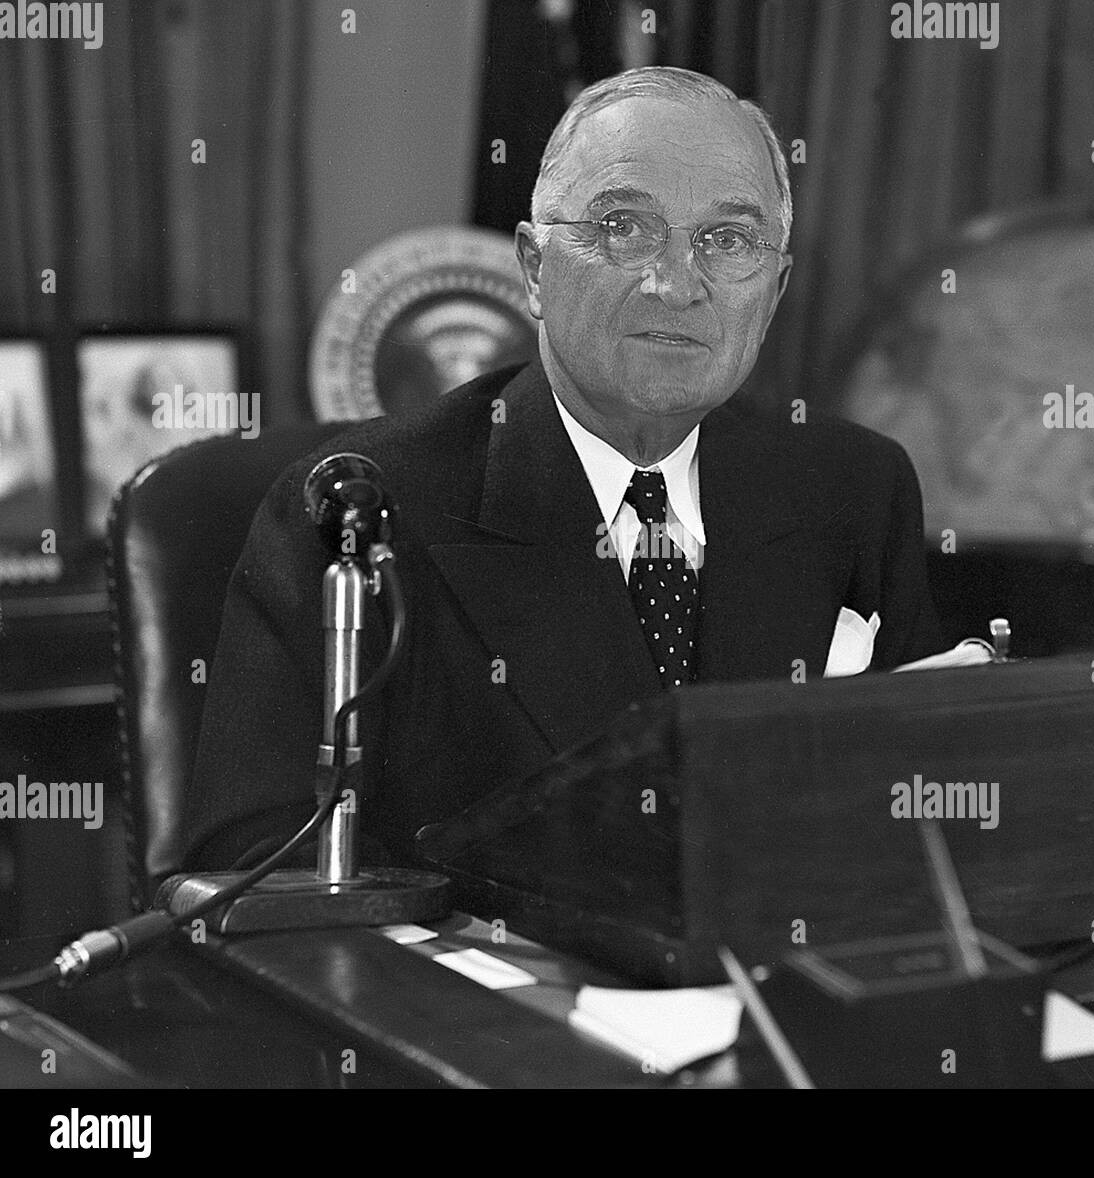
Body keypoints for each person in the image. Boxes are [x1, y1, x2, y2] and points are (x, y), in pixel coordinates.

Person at [184, 66, 944, 871]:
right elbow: (253, 869)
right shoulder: (360, 510)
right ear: (535, 267)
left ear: (777, 285)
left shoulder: (853, 488)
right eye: (624, 227)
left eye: (727, 241)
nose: (676, 283)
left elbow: (918, 817)